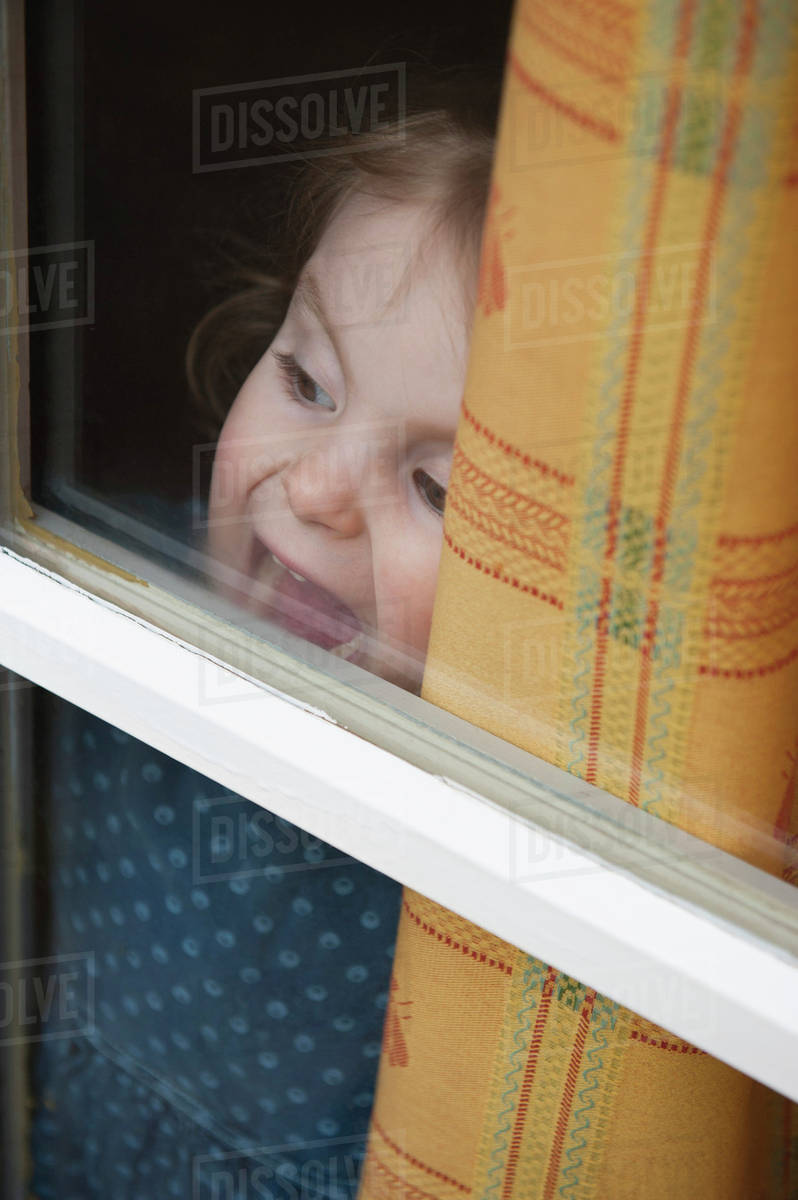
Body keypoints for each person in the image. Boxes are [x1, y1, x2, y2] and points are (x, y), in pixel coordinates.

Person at [30, 96, 496, 1200]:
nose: (320, 489)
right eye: (304, 381)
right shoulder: (86, 590)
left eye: (435, 486)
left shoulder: (517, 838)